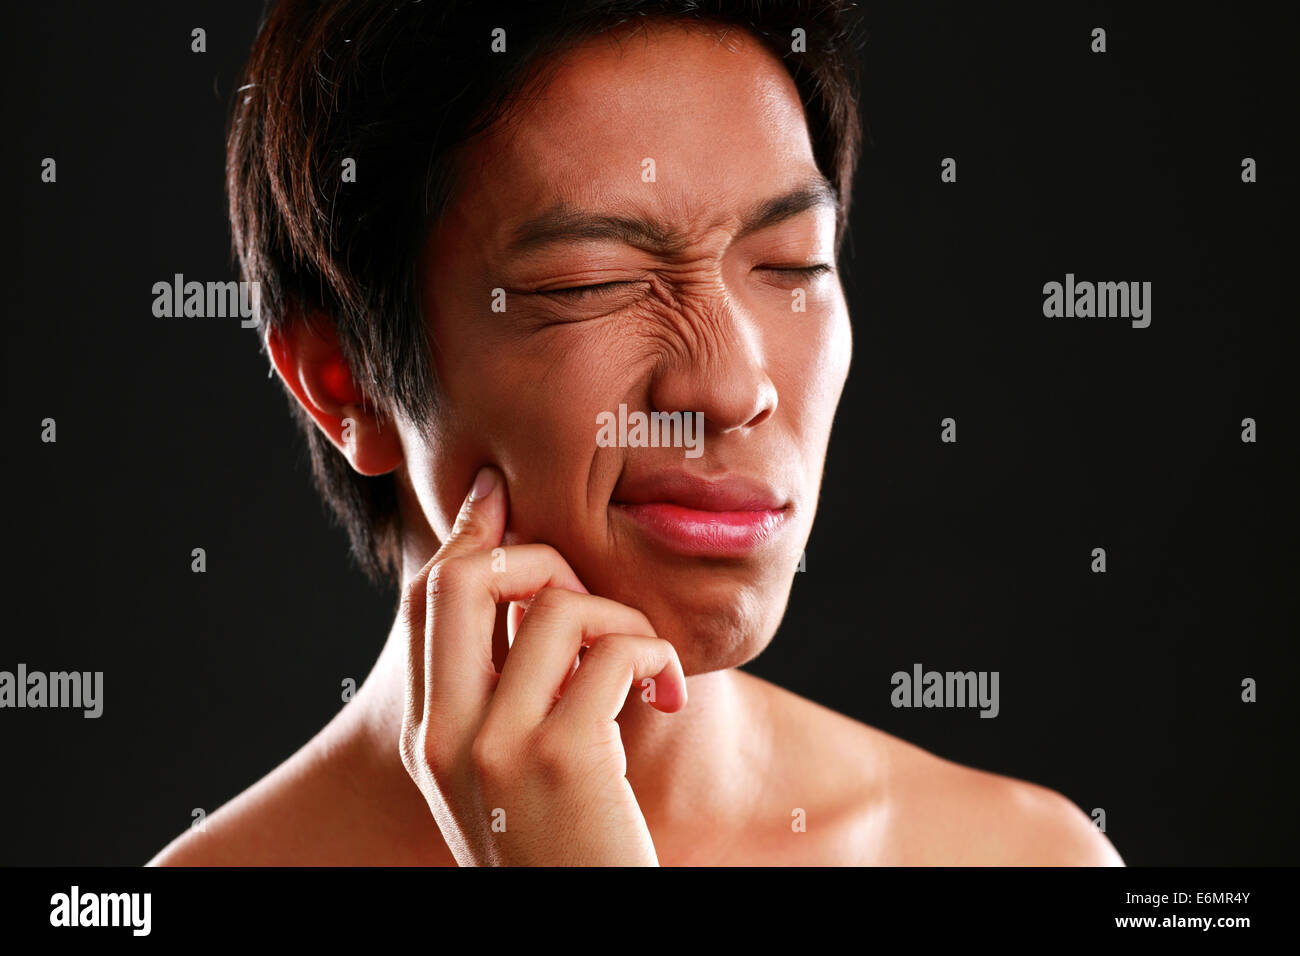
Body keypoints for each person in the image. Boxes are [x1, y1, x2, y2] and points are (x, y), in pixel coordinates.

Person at [150, 0, 1123, 866]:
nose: (735, 385)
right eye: (592, 282)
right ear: (343, 381)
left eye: (790, 265)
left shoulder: (1017, 854)